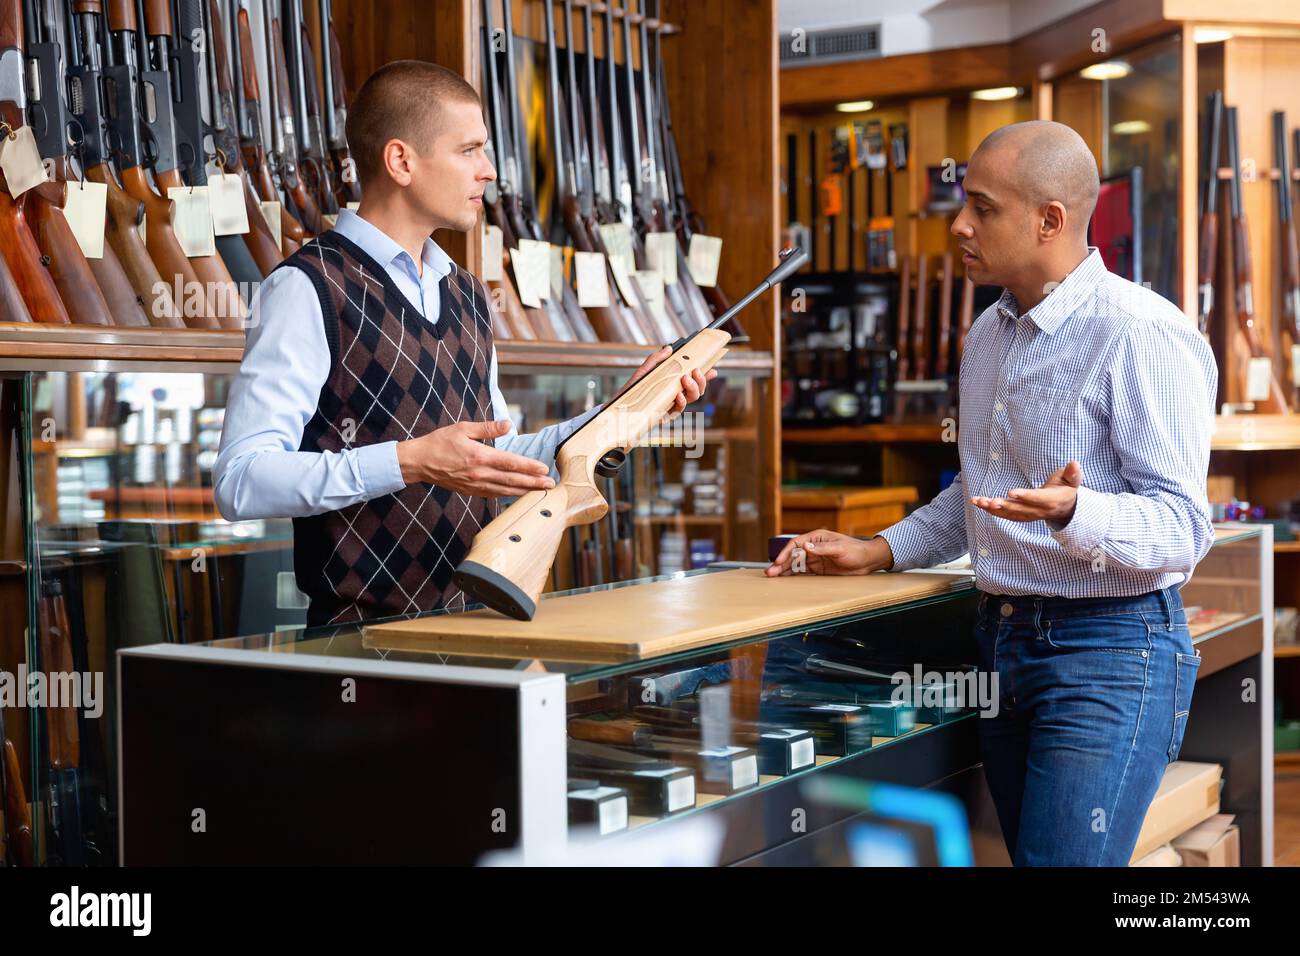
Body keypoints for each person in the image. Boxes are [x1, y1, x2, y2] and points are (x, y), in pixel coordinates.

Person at [767, 121, 1217, 866]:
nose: (960, 225)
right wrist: (879, 549)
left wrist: (1079, 510)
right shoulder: (989, 334)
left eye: (983, 207)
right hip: (1000, 642)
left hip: (1110, 650)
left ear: (1051, 220)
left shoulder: (1141, 334)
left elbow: (1183, 527)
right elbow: (975, 493)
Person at [214, 61, 712, 626]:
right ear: (401, 161)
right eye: (469, 150)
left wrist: (626, 410)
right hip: (360, 654)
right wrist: (412, 462)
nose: (488, 171)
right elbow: (241, 481)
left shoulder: (468, 293)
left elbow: (499, 462)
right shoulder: (307, 288)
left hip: (477, 631)